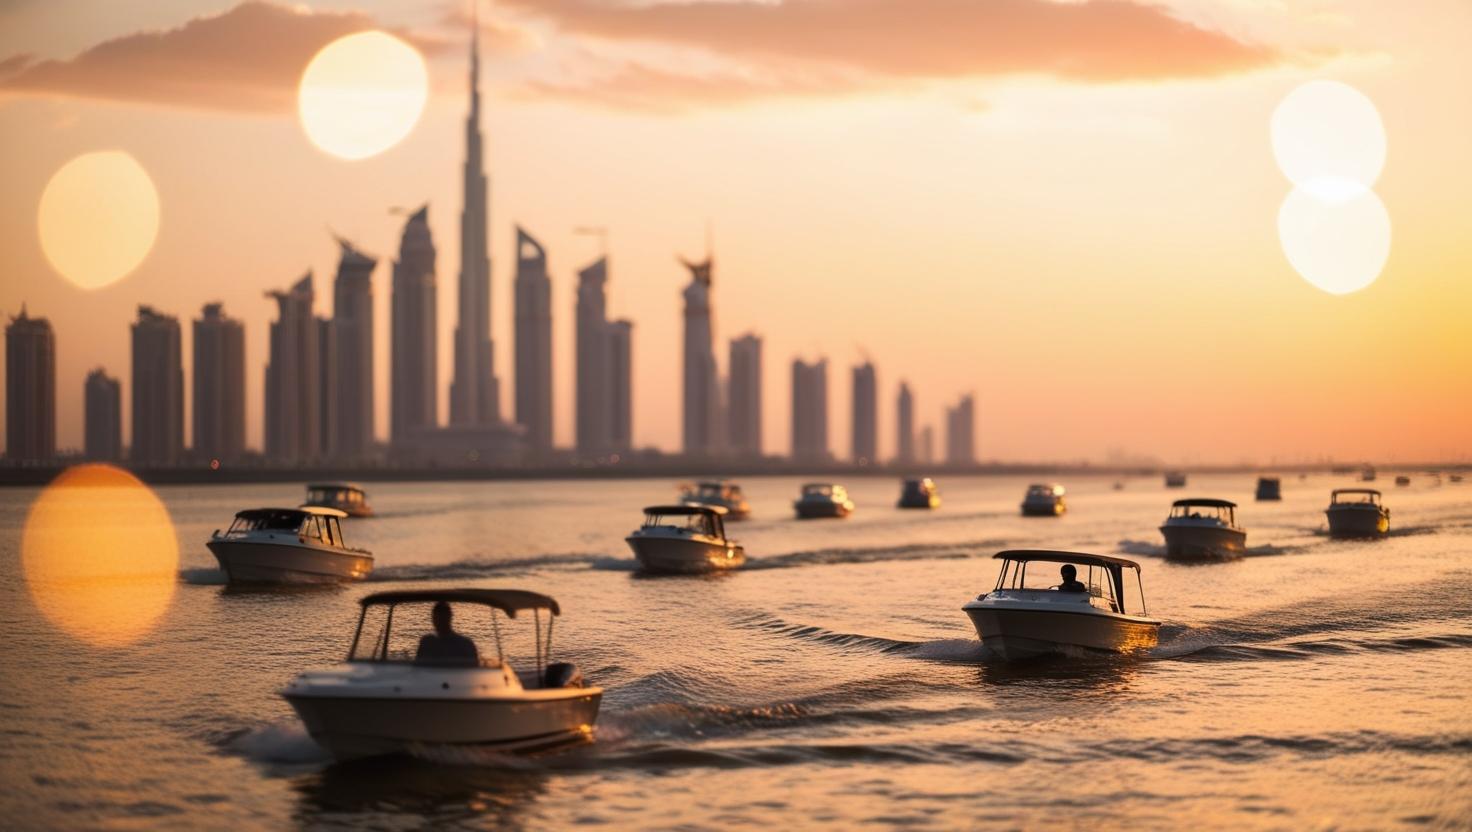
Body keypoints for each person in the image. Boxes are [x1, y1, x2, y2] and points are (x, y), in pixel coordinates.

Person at [415, 601, 480, 665]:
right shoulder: (427, 642)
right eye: (437, 617)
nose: (440, 621)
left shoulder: (465, 644)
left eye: (442, 617)